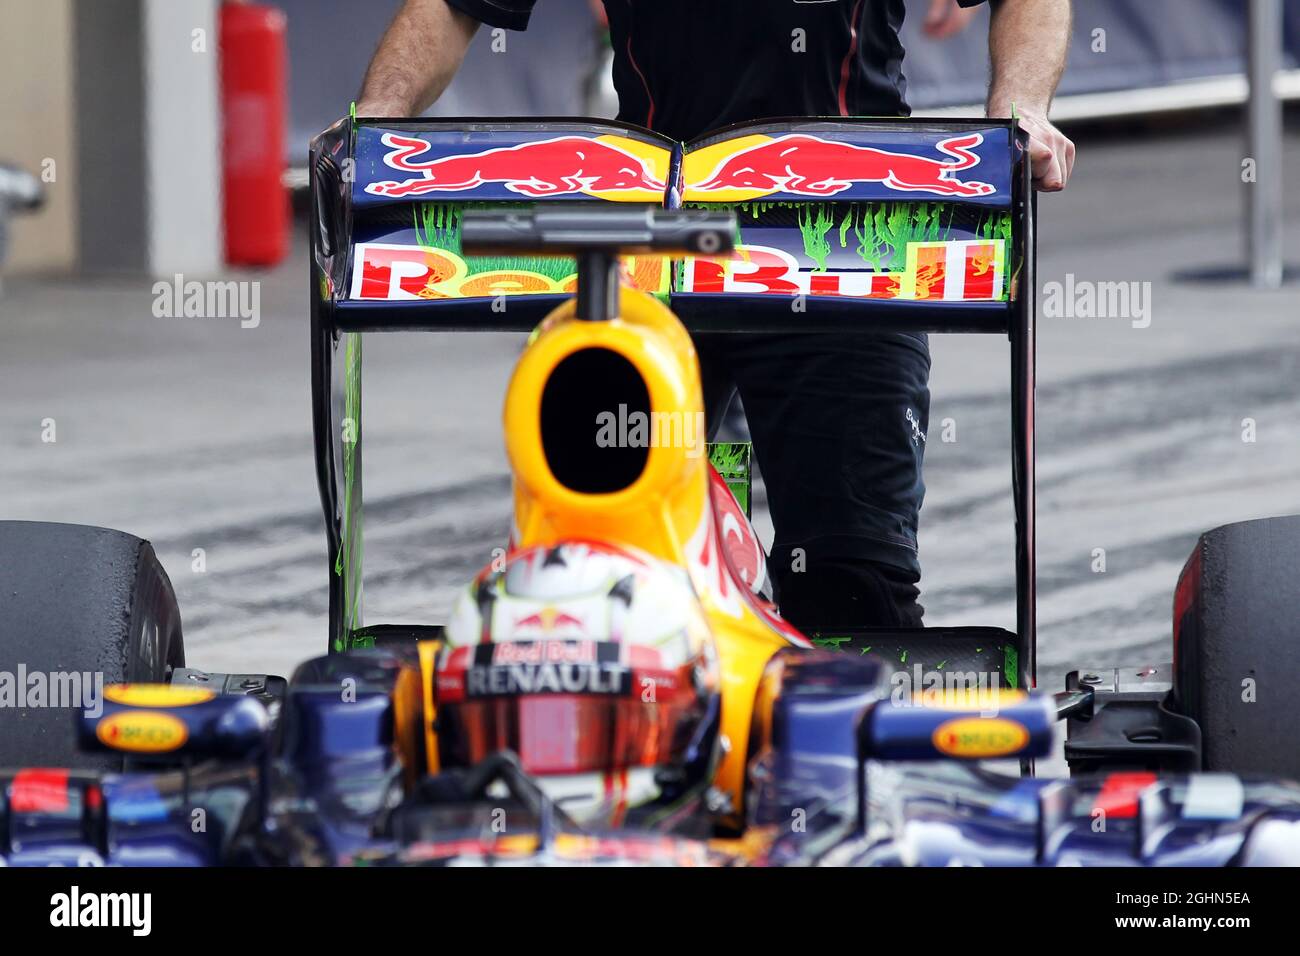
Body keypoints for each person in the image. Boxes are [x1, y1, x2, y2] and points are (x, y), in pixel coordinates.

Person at [356, 0, 1075, 631]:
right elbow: (451, 3)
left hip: (844, 241)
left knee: (852, 595)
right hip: (651, 240)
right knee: (595, 563)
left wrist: (1021, 107)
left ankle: (826, 753)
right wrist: (377, 123)